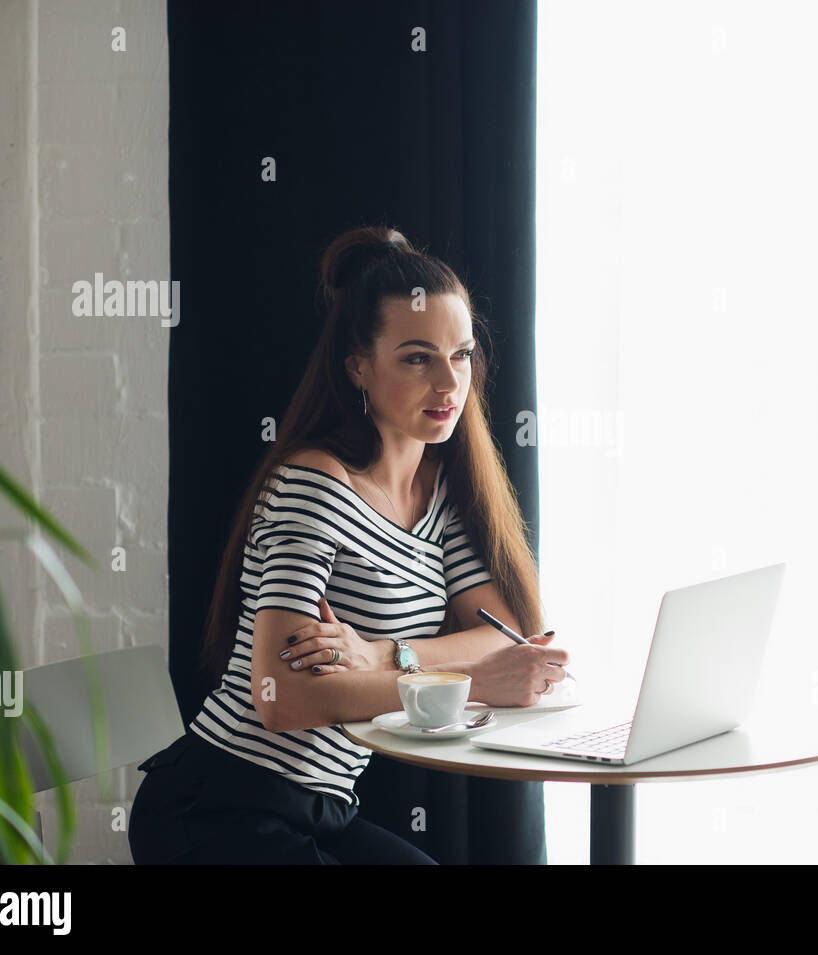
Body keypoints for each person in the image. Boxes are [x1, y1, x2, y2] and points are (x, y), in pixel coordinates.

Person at [129, 226, 567, 864]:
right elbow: (284, 698)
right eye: (417, 358)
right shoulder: (315, 484)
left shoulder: (439, 491)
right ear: (359, 367)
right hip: (220, 805)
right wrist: (467, 683)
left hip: (324, 809)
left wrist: (384, 653)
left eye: (462, 355)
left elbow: (504, 635)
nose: (449, 383)